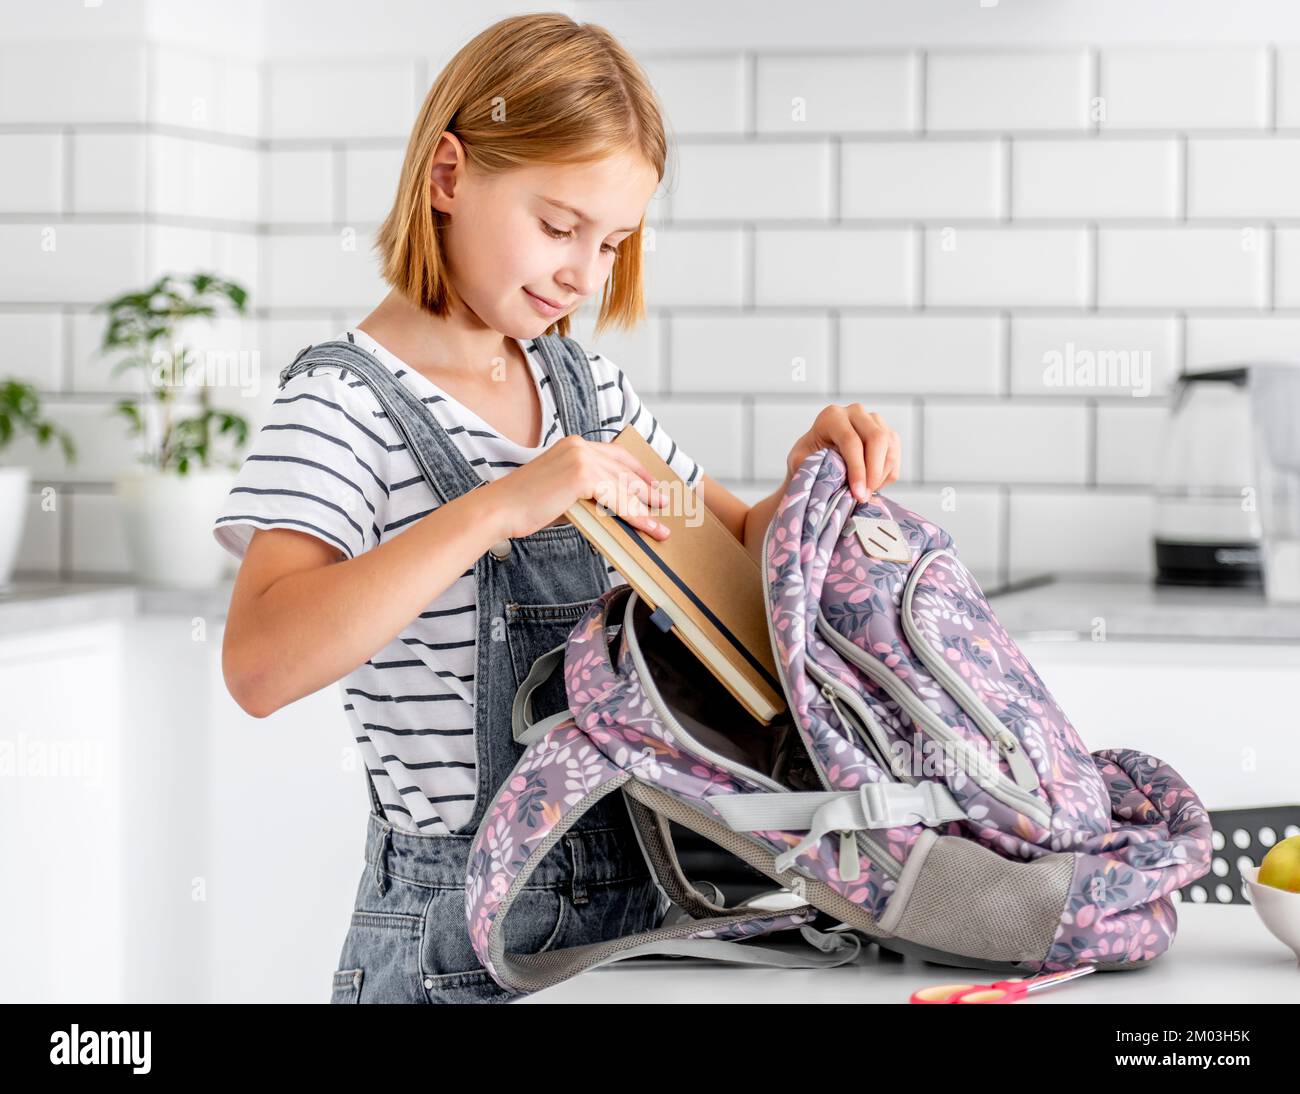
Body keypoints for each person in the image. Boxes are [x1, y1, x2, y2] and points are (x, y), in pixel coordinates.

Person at [212, 12, 901, 1004]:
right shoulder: (345, 402)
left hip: (641, 916)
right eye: (558, 225)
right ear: (447, 176)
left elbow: (729, 557)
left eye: (613, 240)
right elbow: (260, 663)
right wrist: (498, 506)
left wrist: (804, 479)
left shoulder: (590, 393)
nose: (585, 272)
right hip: (455, 943)